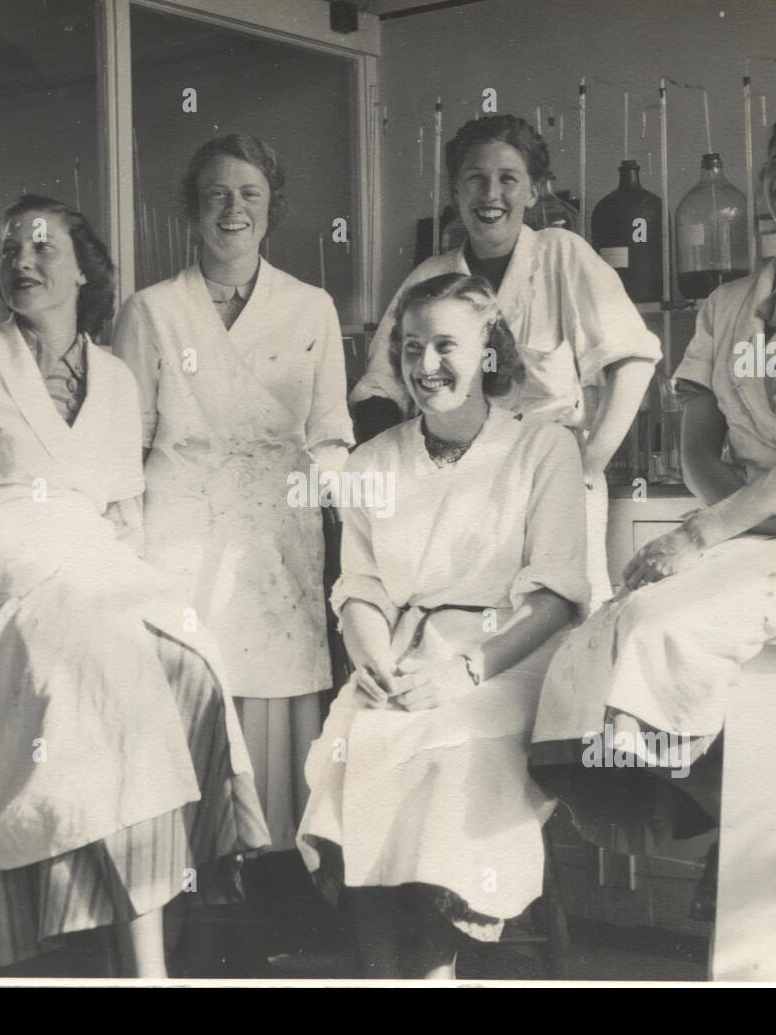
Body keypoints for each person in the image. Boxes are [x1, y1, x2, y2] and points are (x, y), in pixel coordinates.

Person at [0, 194, 270, 977]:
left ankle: (144, 910)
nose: (20, 262)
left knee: (192, 660)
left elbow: (126, 520)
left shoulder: (120, 380)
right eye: (7, 251)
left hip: (92, 560)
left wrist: (138, 589)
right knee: (104, 661)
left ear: (84, 269)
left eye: (41, 249)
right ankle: (144, 959)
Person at [530, 105, 776, 865]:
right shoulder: (726, 306)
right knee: (613, 622)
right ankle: (725, 830)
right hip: (756, 530)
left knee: (664, 628)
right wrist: (730, 520)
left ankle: (735, 831)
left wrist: (703, 533)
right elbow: (698, 447)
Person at [297, 273, 588, 979]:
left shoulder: (541, 449)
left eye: (447, 346)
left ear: (490, 352)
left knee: (446, 754)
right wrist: (375, 664)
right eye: (411, 348)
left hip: (510, 658)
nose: (426, 366)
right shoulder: (372, 462)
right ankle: (383, 973)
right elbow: (359, 587)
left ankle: (433, 972)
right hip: (402, 651)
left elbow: (553, 597)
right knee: (357, 743)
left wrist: (462, 672)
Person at [113, 135, 354, 853]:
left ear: (271, 208)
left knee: (274, 700)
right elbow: (126, 443)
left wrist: (330, 504)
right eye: (216, 194)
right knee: (192, 683)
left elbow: (331, 430)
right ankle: (194, 872)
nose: (232, 209)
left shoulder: (311, 307)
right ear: (193, 211)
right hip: (179, 529)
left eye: (249, 194)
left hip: (277, 531)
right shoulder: (151, 311)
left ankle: (276, 867)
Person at [349, 114, 661, 606]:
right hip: (453, 488)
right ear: (456, 191)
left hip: (550, 479)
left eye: (508, 179)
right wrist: (391, 471)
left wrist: (585, 466)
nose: (490, 194)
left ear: (534, 192)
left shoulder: (563, 256)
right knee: (458, 627)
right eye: (475, 178)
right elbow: (379, 386)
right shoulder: (431, 277)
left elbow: (635, 361)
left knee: (555, 621)